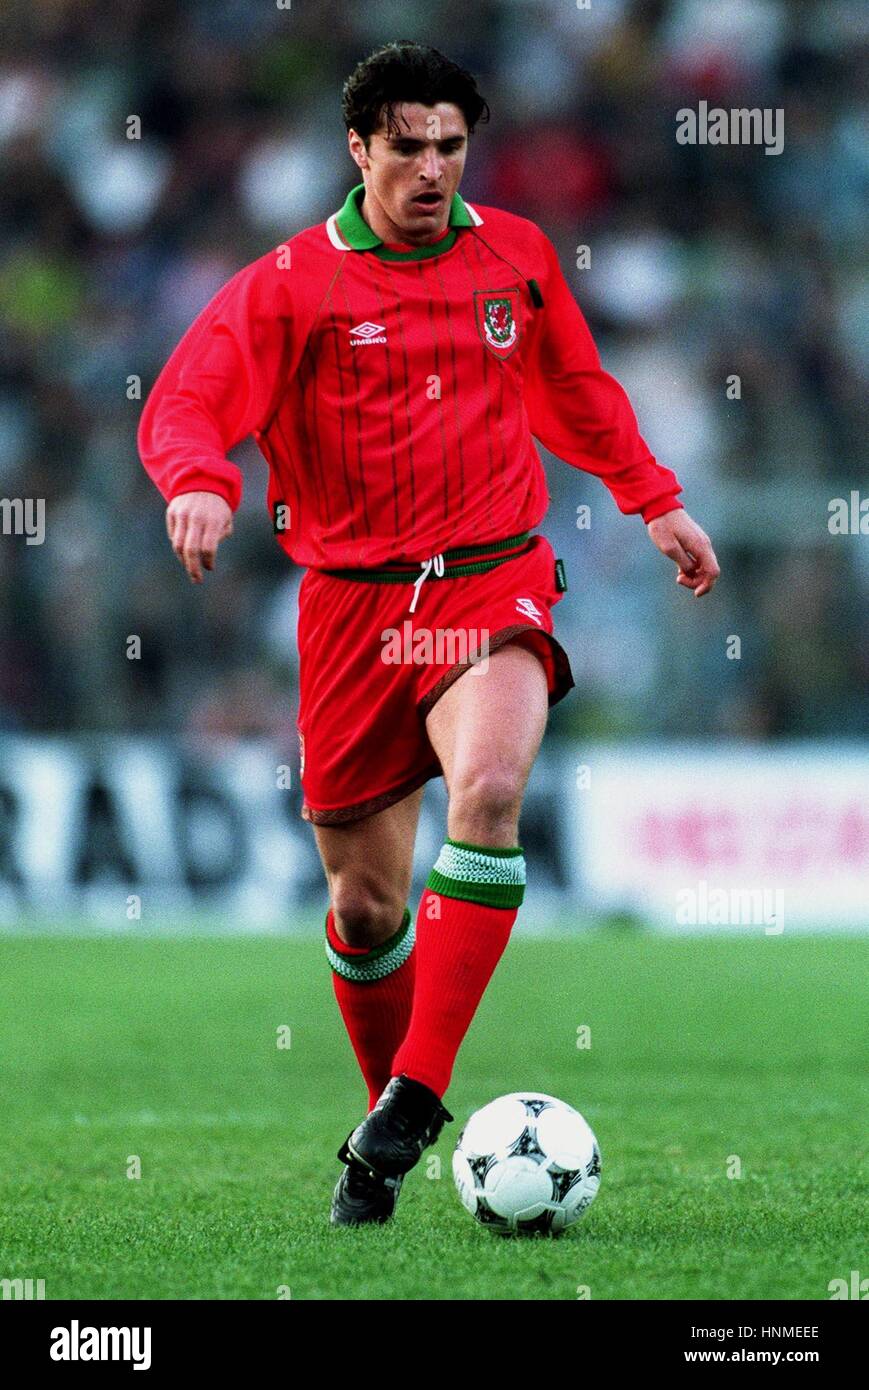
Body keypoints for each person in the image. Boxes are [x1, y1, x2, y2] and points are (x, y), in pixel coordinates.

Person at [138, 40, 720, 1227]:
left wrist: (652, 496)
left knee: (491, 793)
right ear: (357, 150)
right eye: (406, 145)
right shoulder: (290, 283)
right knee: (365, 913)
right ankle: (380, 1136)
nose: (431, 168)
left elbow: (574, 387)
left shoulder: (513, 254)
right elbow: (191, 398)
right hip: (352, 608)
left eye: (450, 146)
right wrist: (198, 477)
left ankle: (417, 1091)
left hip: (487, 580)